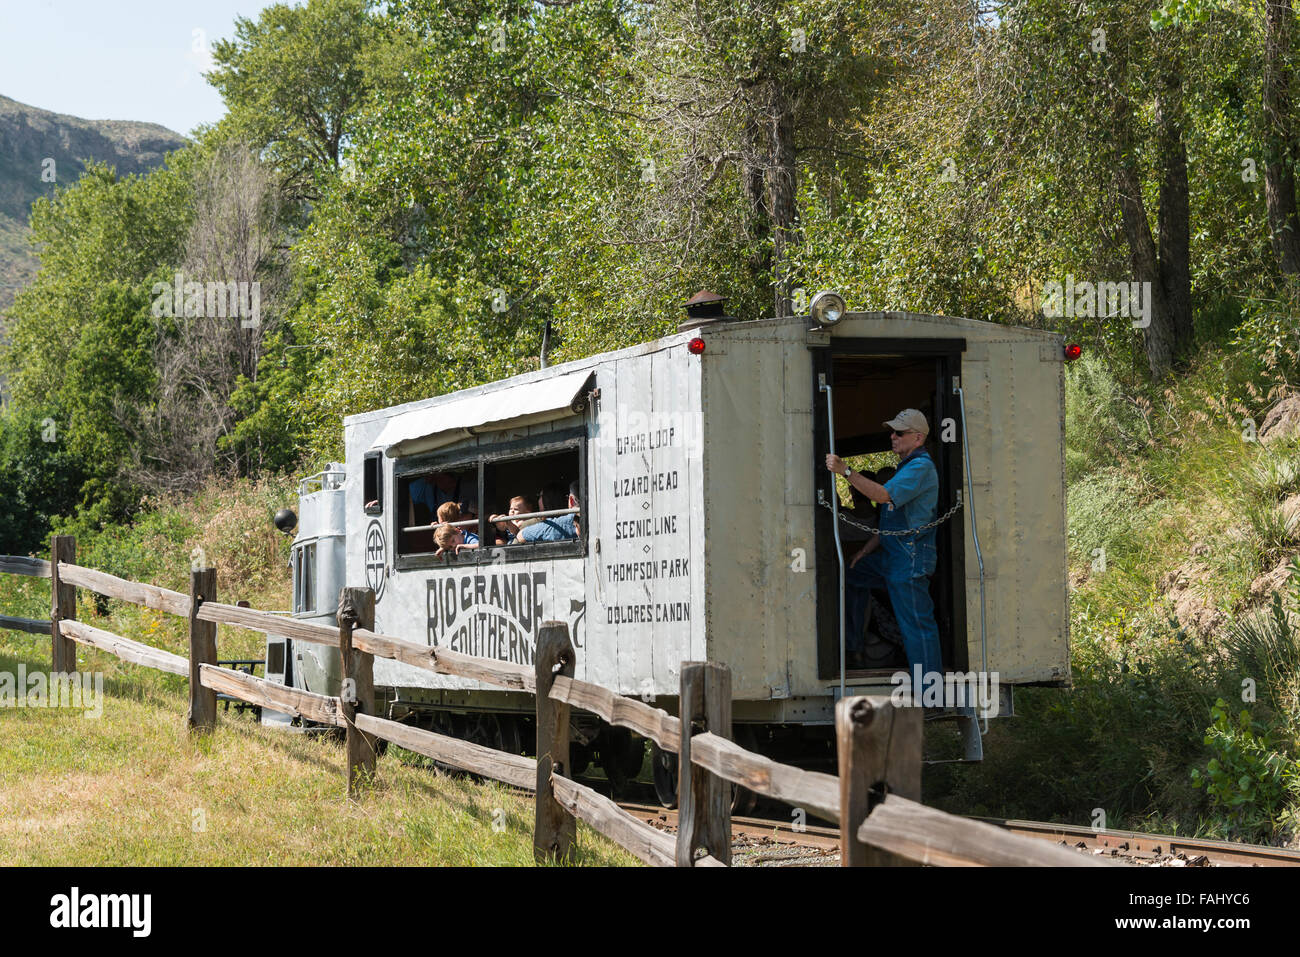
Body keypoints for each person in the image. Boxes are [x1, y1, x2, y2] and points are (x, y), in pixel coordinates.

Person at [825, 409, 942, 681]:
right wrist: (865, 551)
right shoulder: (906, 468)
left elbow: (882, 495)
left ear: (917, 437)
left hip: (910, 559)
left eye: (899, 433)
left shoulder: (920, 468)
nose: (892, 436)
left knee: (917, 626)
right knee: (853, 574)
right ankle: (855, 649)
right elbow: (890, 517)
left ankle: (931, 695)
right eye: (892, 431)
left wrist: (846, 470)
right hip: (894, 555)